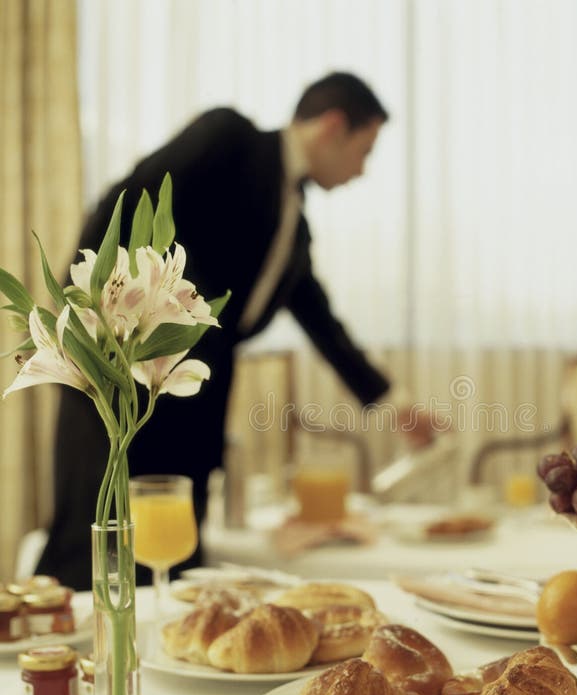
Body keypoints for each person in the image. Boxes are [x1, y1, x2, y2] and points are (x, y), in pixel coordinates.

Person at [37, 71, 427, 590]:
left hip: (193, 405)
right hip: (121, 379)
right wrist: (85, 328)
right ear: (333, 127)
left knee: (172, 568)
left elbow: (321, 321)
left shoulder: (294, 222)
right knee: (97, 554)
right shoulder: (230, 138)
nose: (362, 170)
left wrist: (392, 402)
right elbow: (123, 206)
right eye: (366, 149)